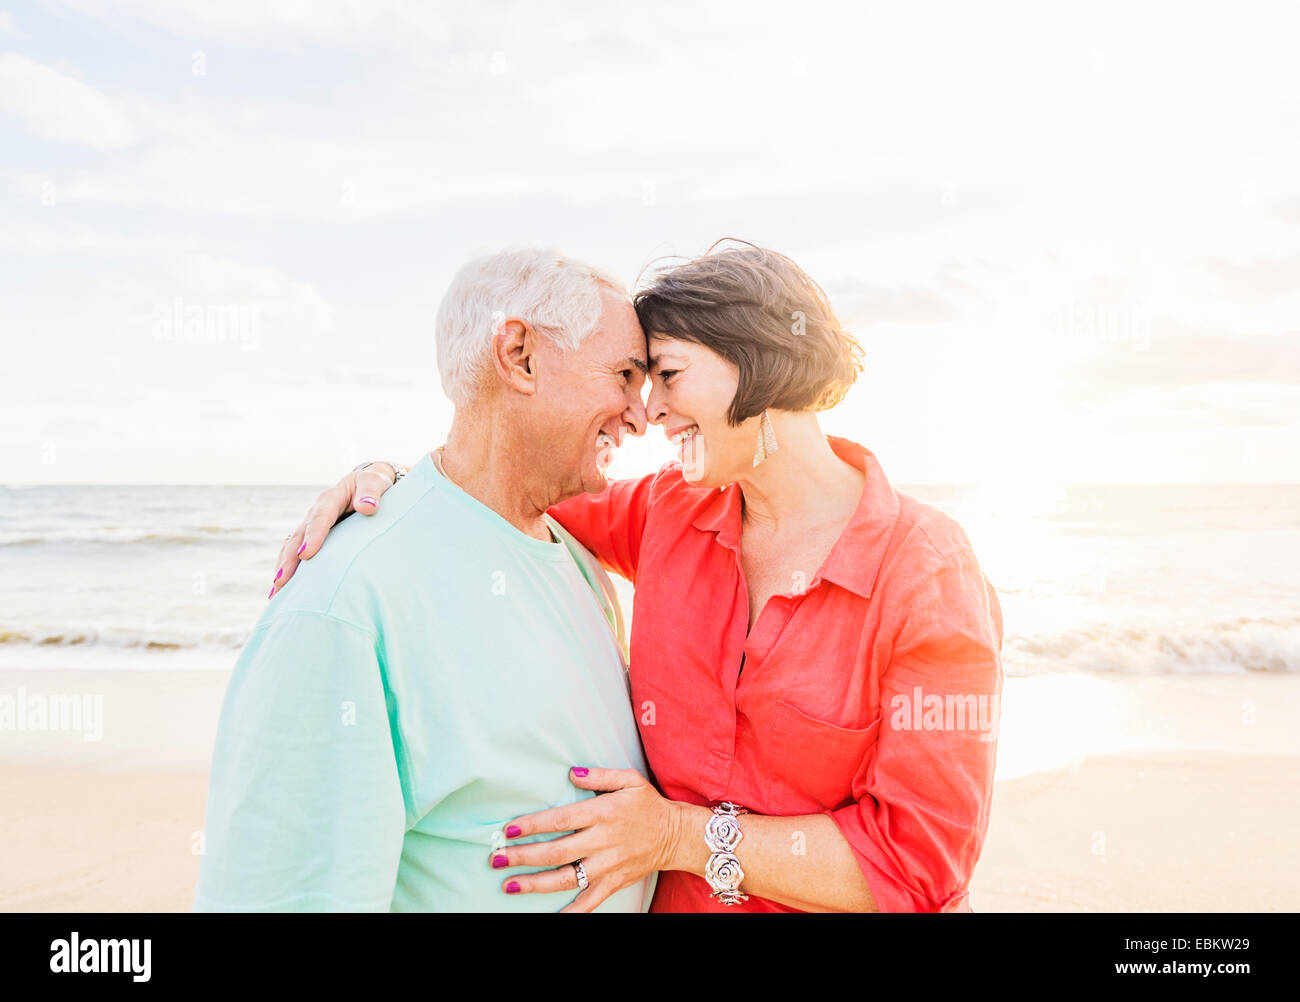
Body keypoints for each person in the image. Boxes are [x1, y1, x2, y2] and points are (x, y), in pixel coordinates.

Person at [272, 241, 1004, 913]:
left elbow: (920, 861)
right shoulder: (669, 511)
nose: (647, 410)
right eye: (636, 377)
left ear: (760, 361)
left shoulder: (927, 572)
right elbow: (505, 475)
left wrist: (678, 837)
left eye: (668, 376)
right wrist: (387, 481)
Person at [195, 247, 658, 912]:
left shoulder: (581, 564)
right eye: (623, 375)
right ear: (520, 357)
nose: (641, 414)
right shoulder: (345, 600)